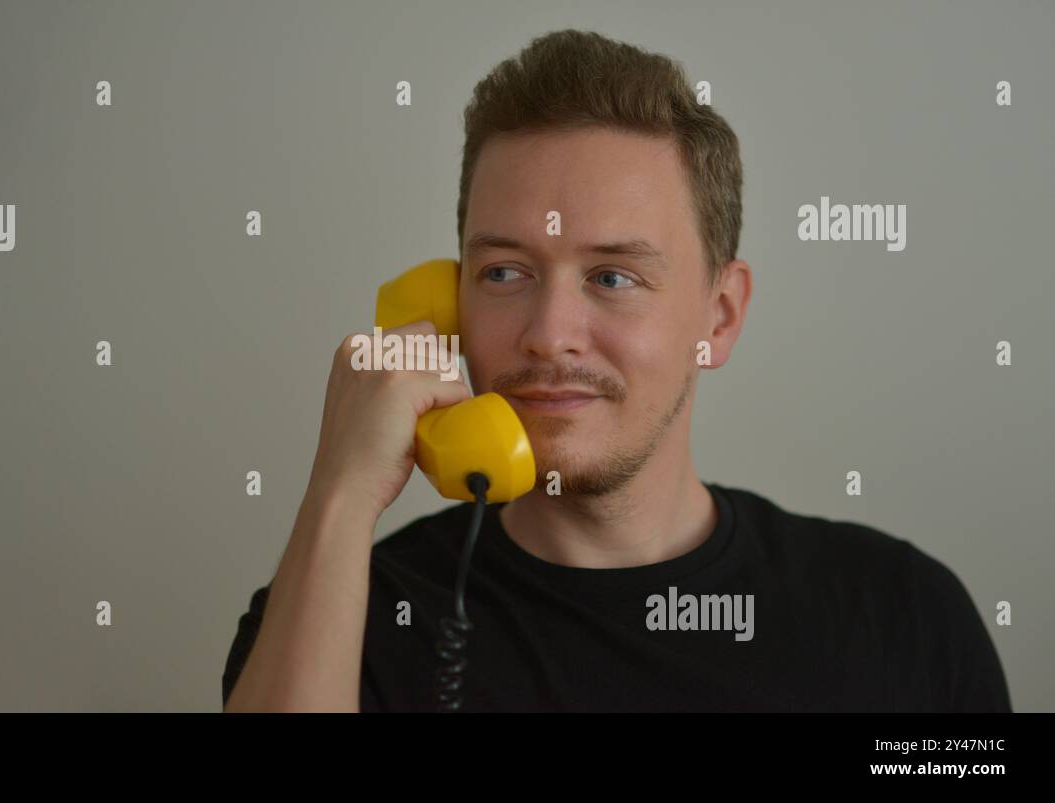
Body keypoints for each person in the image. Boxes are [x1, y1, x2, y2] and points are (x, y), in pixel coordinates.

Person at [221, 29, 1011, 712]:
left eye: (613, 276)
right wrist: (340, 490)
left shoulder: (904, 615)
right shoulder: (334, 616)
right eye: (504, 272)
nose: (548, 336)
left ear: (719, 316)